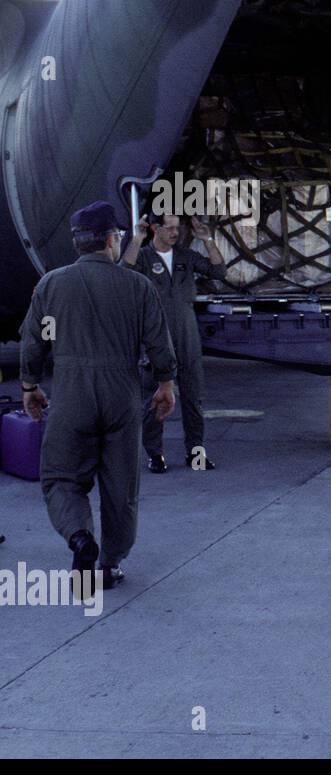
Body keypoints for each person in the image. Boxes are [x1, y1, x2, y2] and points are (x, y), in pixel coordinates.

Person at [19, 201, 177, 588]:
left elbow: (33, 341)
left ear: (78, 244)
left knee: (60, 477)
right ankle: (109, 564)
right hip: (121, 394)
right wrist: (165, 385)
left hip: (71, 394)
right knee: (120, 485)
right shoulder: (137, 285)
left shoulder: (51, 284)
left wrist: (29, 386)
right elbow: (159, 343)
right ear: (111, 240)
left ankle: (79, 536)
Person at [122, 211, 226, 473]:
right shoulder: (144, 256)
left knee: (193, 396)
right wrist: (137, 238)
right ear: (155, 228)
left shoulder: (185, 255)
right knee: (154, 396)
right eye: (169, 228)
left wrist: (207, 239)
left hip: (185, 328)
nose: (175, 232)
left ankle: (195, 452)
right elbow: (124, 273)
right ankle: (155, 454)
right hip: (155, 330)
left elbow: (219, 270)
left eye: (176, 227)